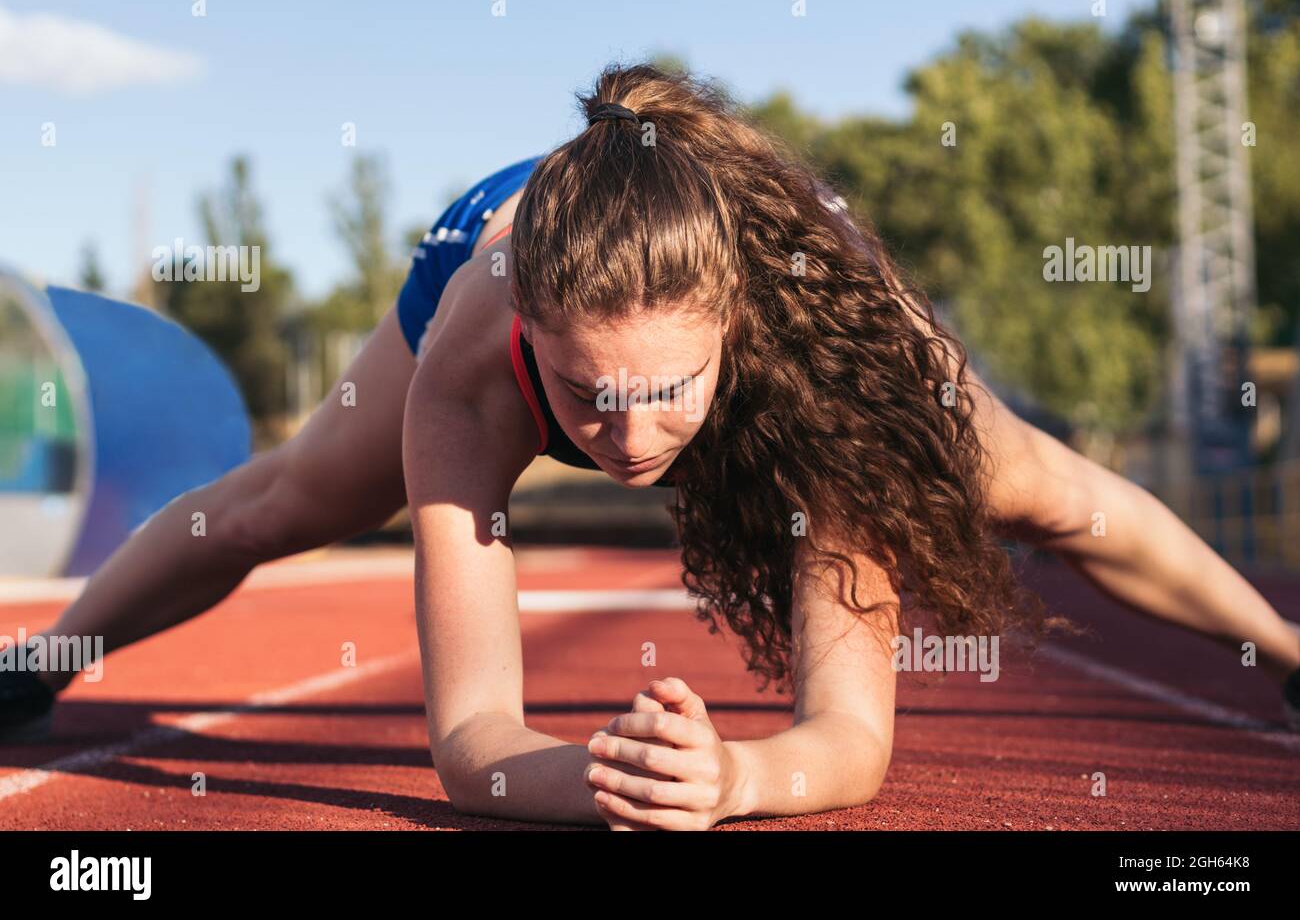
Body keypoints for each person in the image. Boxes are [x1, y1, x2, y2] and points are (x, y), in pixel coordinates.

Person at [3, 63, 1298, 831]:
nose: (628, 440)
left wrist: (737, 777)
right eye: (585, 396)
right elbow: (471, 747)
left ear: (735, 333)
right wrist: (601, 777)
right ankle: (38, 661)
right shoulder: (471, 356)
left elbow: (849, 741)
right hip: (494, 234)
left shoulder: (827, 368)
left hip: (798, 286)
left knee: (1043, 489)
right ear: (528, 339)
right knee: (278, 503)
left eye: (667, 392)